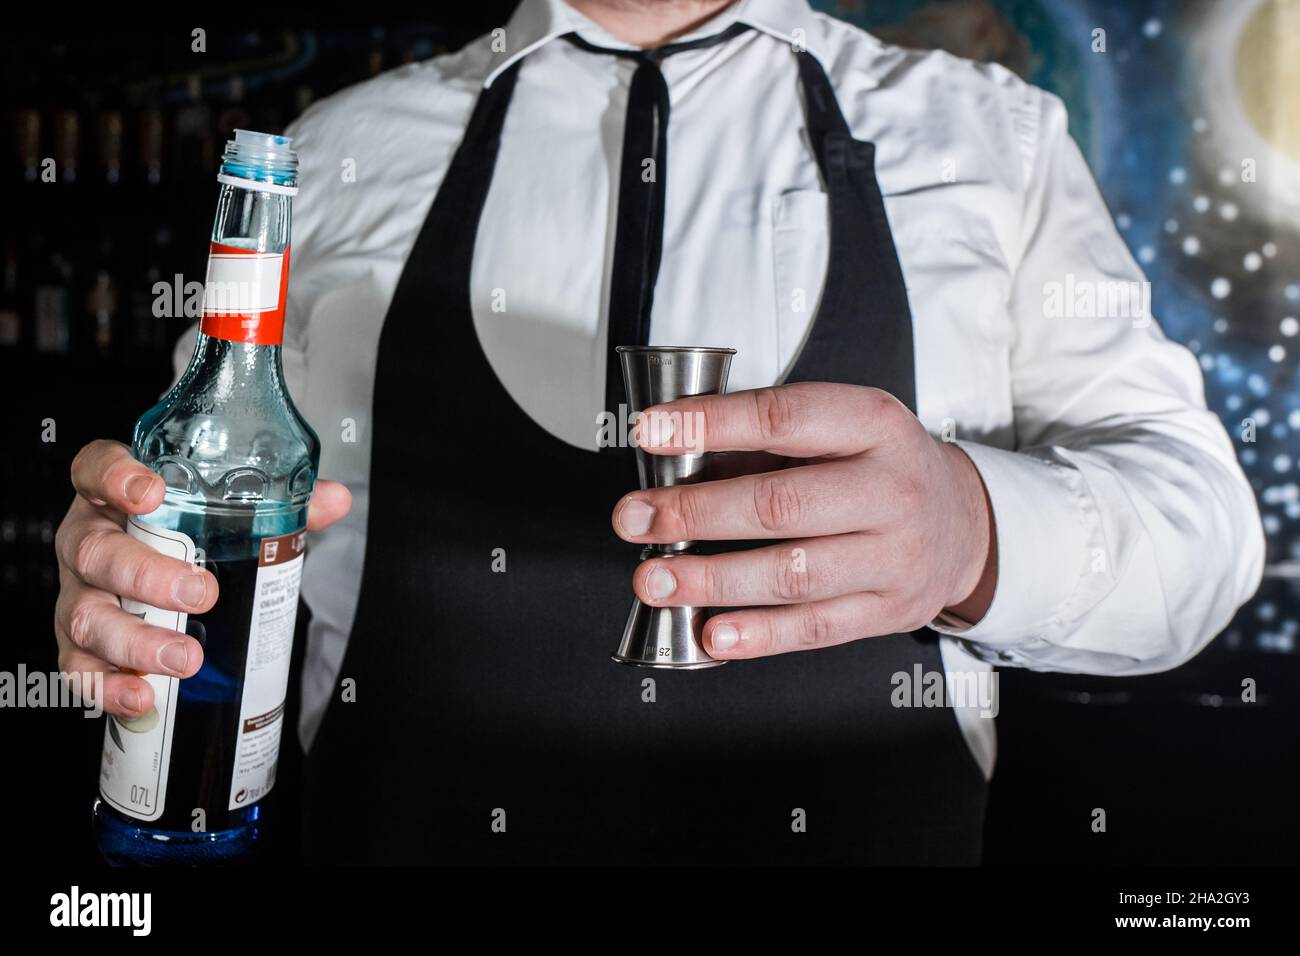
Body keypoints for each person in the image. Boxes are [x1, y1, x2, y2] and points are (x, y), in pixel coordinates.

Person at [54, 0, 1263, 864]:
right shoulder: (330, 155)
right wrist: (138, 582)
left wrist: (973, 533)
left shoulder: (988, 137)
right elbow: (197, 499)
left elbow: (1201, 536)